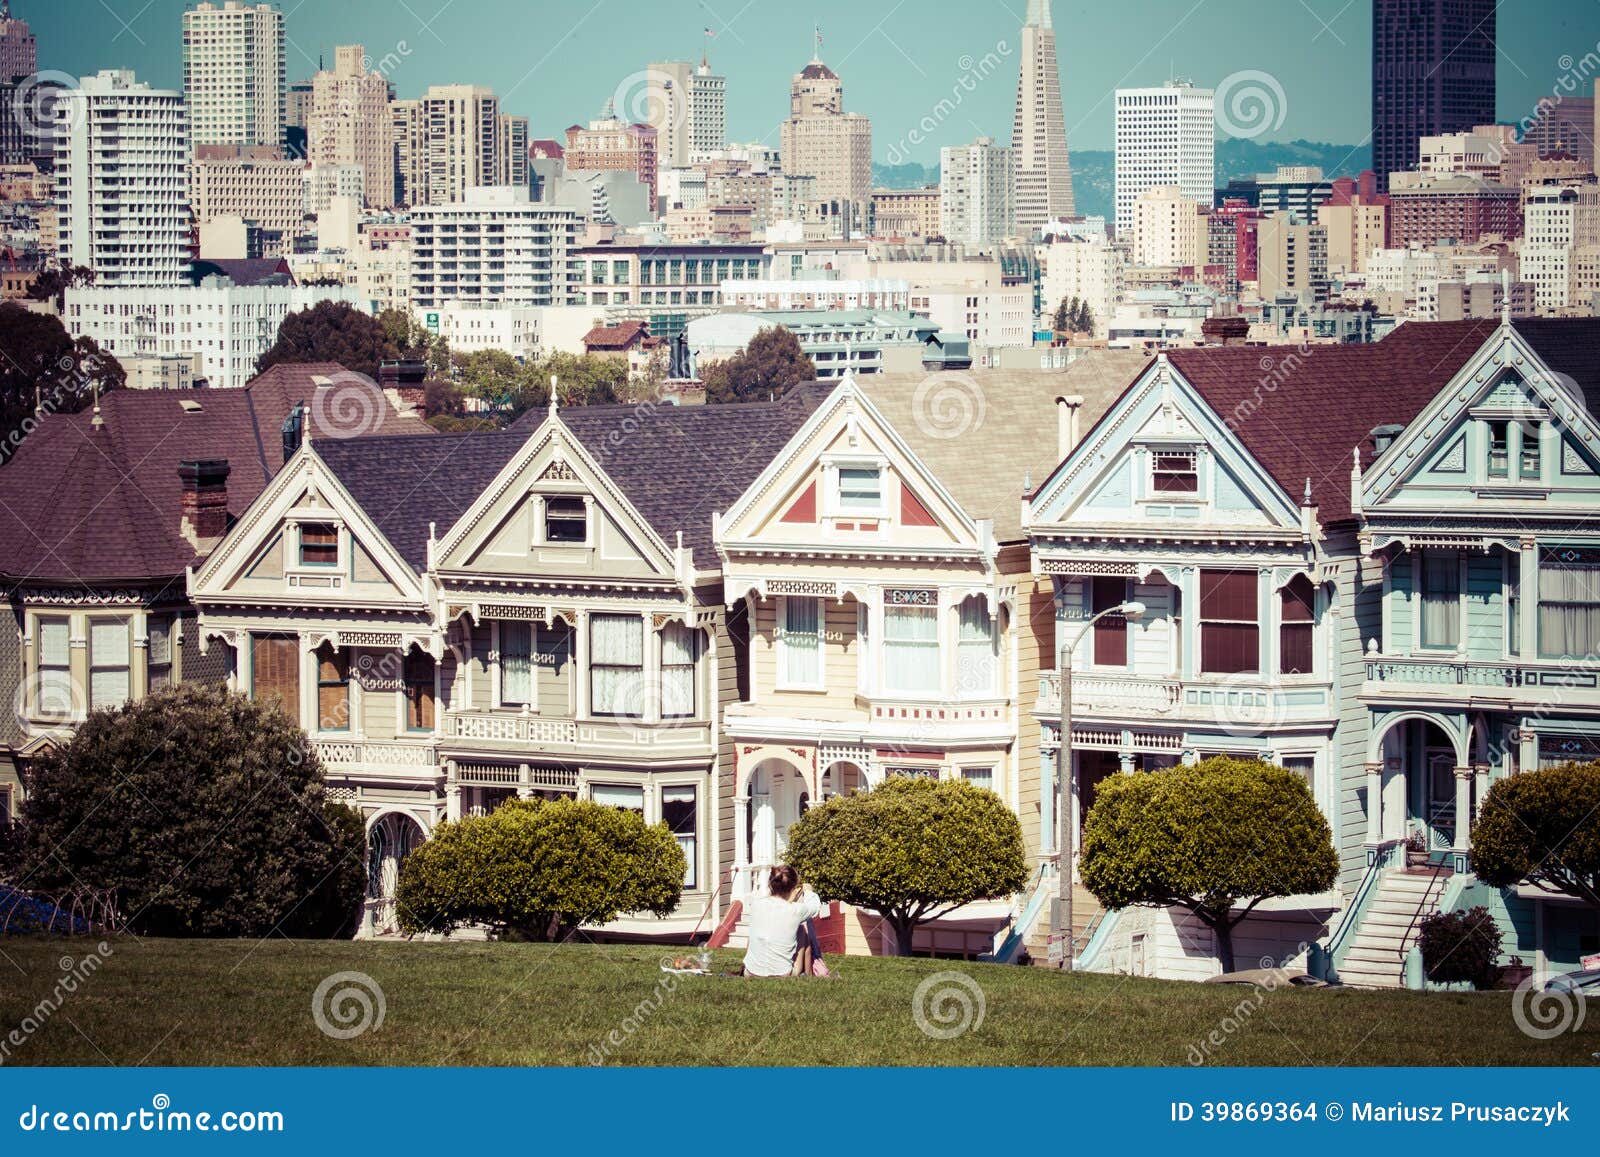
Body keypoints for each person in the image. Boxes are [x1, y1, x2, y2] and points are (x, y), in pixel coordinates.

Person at [740, 865, 826, 978]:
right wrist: (809, 892)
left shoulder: (756, 904)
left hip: (750, 972)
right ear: (793, 887)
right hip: (782, 974)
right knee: (801, 928)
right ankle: (807, 972)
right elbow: (815, 907)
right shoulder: (796, 910)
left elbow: (775, 912)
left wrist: (789, 900)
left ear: (770, 884)